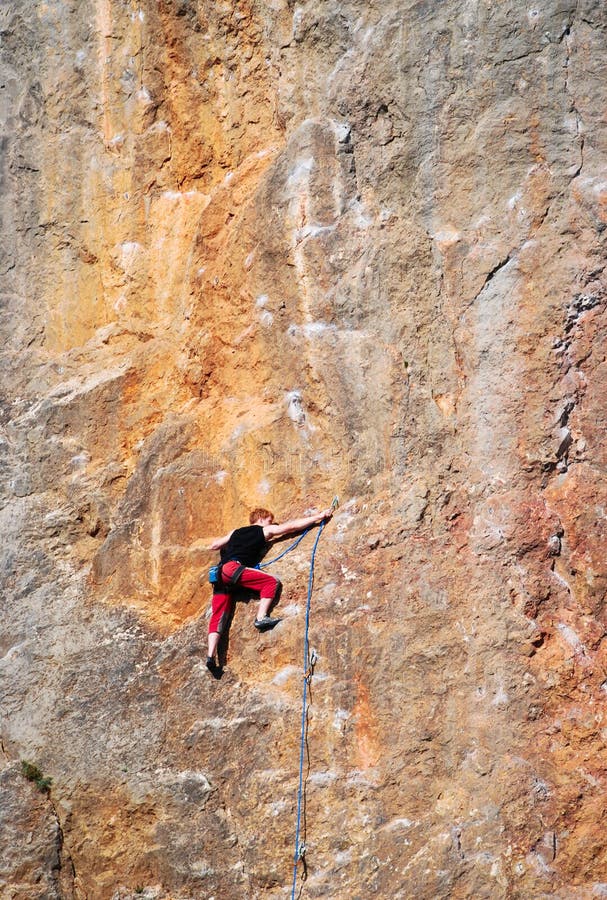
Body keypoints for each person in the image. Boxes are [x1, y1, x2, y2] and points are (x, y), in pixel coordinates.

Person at [206, 505, 334, 675]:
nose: (272, 524)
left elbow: (215, 545)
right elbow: (291, 527)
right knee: (271, 582)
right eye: (270, 521)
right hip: (233, 569)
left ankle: (210, 655)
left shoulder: (235, 532)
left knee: (218, 615)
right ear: (260, 519)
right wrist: (318, 517)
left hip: (220, 576)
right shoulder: (263, 531)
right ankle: (261, 617)